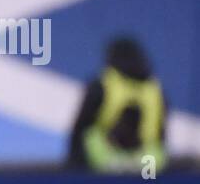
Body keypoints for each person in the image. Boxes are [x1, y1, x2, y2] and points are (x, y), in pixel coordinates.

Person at [67, 37, 168, 172]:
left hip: (111, 165)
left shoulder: (101, 85)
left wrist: (73, 167)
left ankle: (120, 170)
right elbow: (161, 137)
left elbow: (80, 130)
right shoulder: (156, 92)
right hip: (142, 168)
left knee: (91, 138)